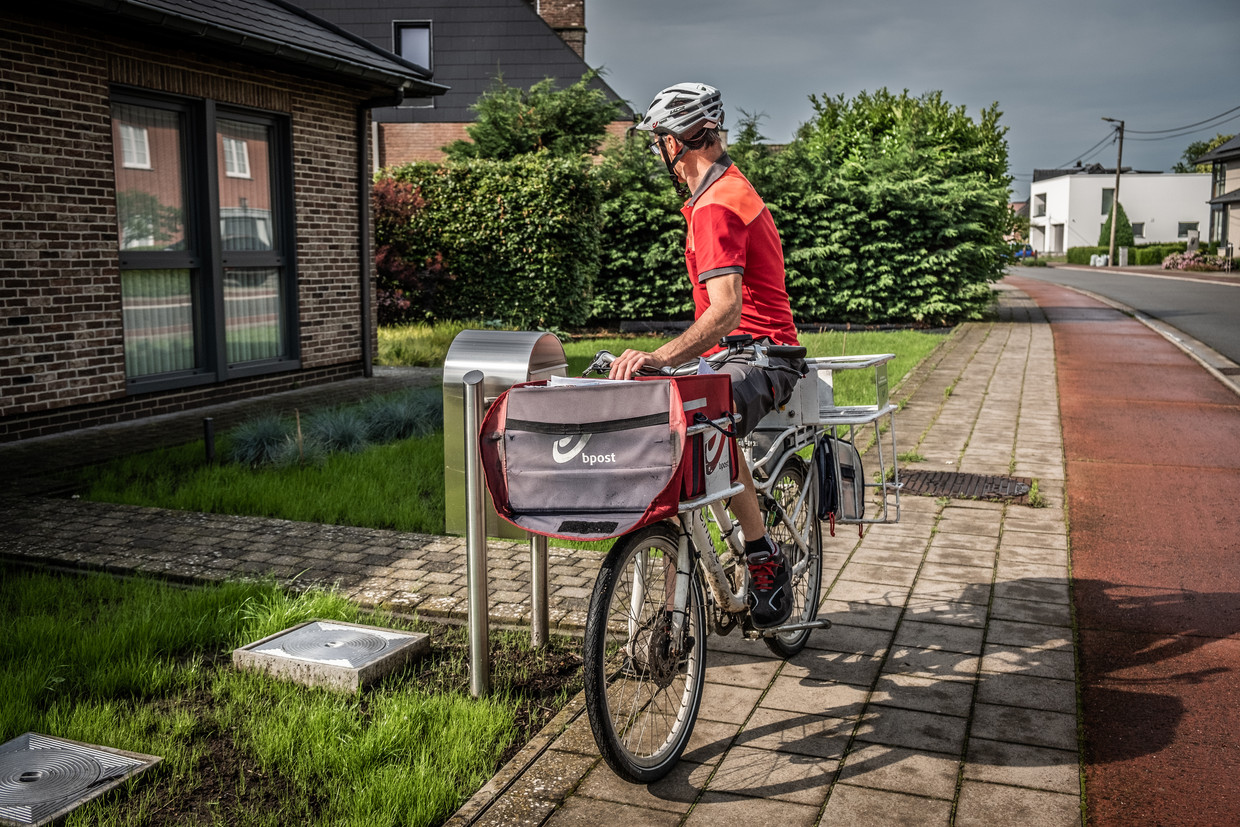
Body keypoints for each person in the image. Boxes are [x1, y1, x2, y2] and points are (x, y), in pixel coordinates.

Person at [608, 82, 803, 629]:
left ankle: (763, 555)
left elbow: (726, 312)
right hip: (734, 354)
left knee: (707, 420)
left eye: (660, 140)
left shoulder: (717, 205)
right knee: (675, 414)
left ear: (679, 142)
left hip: (767, 357)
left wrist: (661, 355)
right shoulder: (713, 195)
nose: (657, 151)